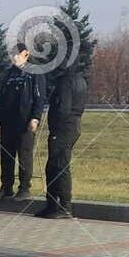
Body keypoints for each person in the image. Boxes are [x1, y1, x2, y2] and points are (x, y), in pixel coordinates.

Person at [0, 43, 45, 198]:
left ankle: (24, 188)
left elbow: (39, 98)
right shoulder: (9, 74)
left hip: (25, 122)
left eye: (16, 55)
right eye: (11, 55)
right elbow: (2, 98)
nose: (13, 58)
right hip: (7, 122)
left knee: (24, 155)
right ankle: (6, 187)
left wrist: (35, 118)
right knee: (6, 155)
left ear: (26, 54)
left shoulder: (34, 73)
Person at [38, 58, 89, 218]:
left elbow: (63, 107)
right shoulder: (80, 80)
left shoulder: (65, 81)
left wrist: (55, 125)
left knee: (58, 167)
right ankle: (53, 204)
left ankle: (62, 206)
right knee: (57, 166)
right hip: (73, 126)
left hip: (62, 128)